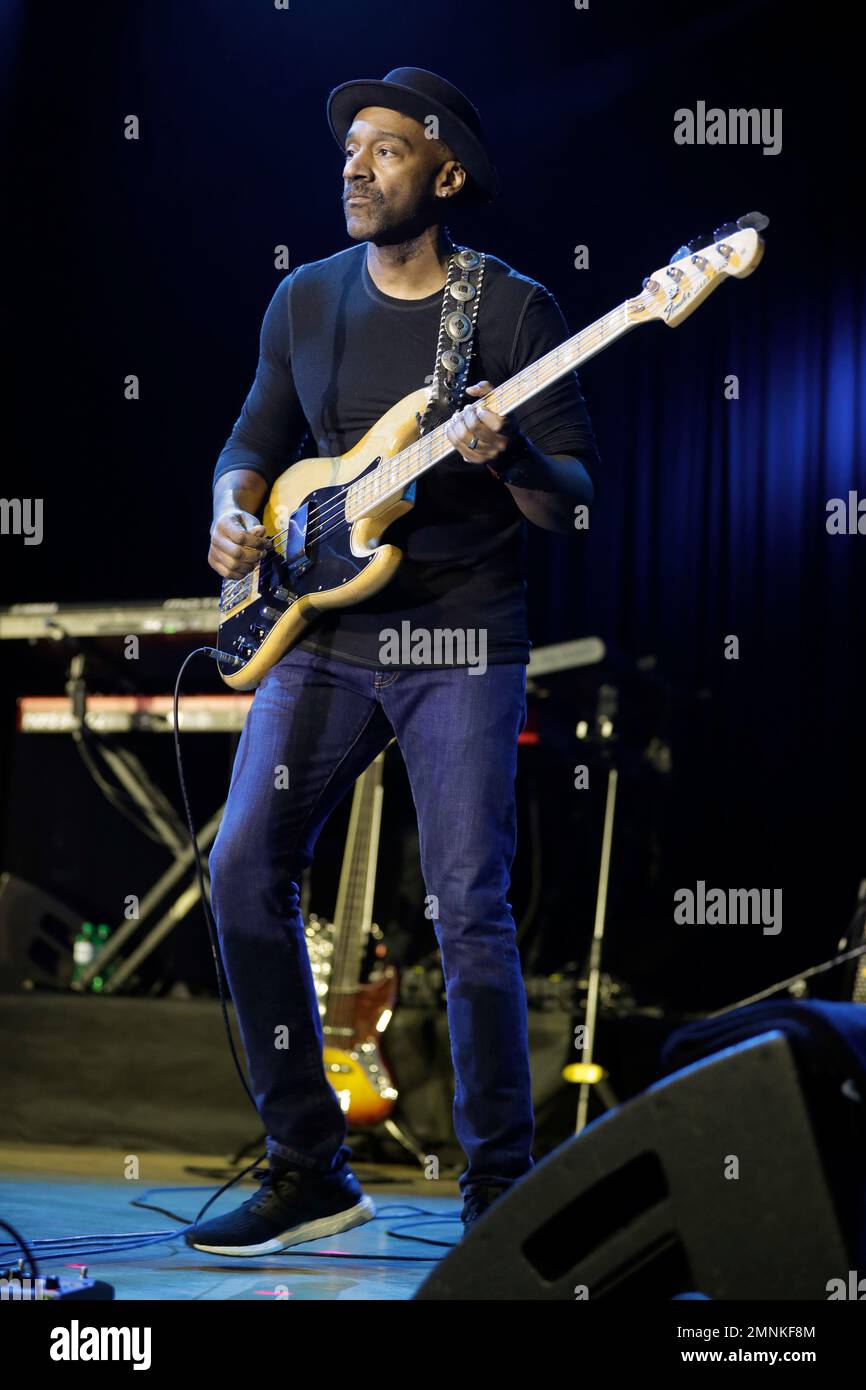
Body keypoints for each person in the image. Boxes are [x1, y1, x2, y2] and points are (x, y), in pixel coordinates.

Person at [186, 66, 598, 1257]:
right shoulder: (306, 299)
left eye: (385, 147)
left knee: (467, 908)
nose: (354, 164)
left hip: (461, 641)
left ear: (447, 174)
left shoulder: (512, 312)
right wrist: (232, 506)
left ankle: (499, 1194)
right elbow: (252, 434)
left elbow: (572, 506)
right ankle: (309, 1167)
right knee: (242, 873)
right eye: (348, 147)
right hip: (320, 635)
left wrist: (509, 448)